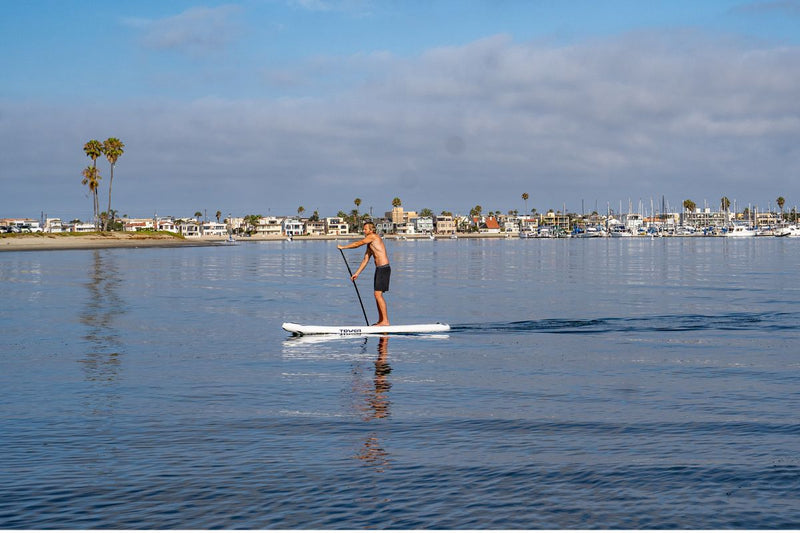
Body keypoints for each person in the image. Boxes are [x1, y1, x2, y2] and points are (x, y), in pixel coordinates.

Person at [337, 222, 391, 326]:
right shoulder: (370, 244)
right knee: (377, 295)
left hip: (384, 269)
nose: (364, 231)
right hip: (379, 269)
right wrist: (356, 273)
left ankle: (385, 321)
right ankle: (381, 321)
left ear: (371, 230)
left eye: (365, 229)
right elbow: (365, 259)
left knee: (378, 295)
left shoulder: (373, 237)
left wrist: (343, 247)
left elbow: (358, 244)